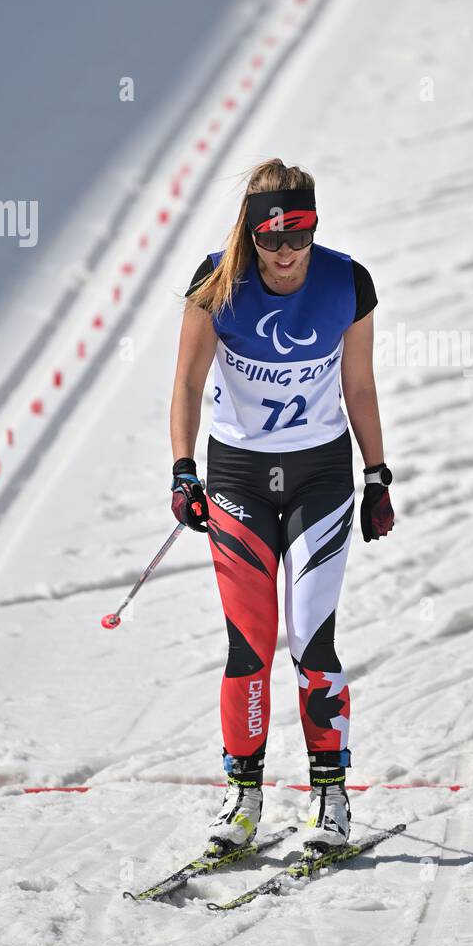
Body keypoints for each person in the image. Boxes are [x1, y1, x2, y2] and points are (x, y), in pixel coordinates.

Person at [169, 159, 394, 856]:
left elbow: (359, 385)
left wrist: (379, 472)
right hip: (237, 476)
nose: (287, 253)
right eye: (272, 240)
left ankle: (330, 795)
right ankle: (243, 797)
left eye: (299, 234)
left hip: (320, 475)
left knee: (310, 635)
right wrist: (182, 471)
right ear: (251, 235)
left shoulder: (347, 282)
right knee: (249, 642)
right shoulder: (217, 285)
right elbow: (184, 386)